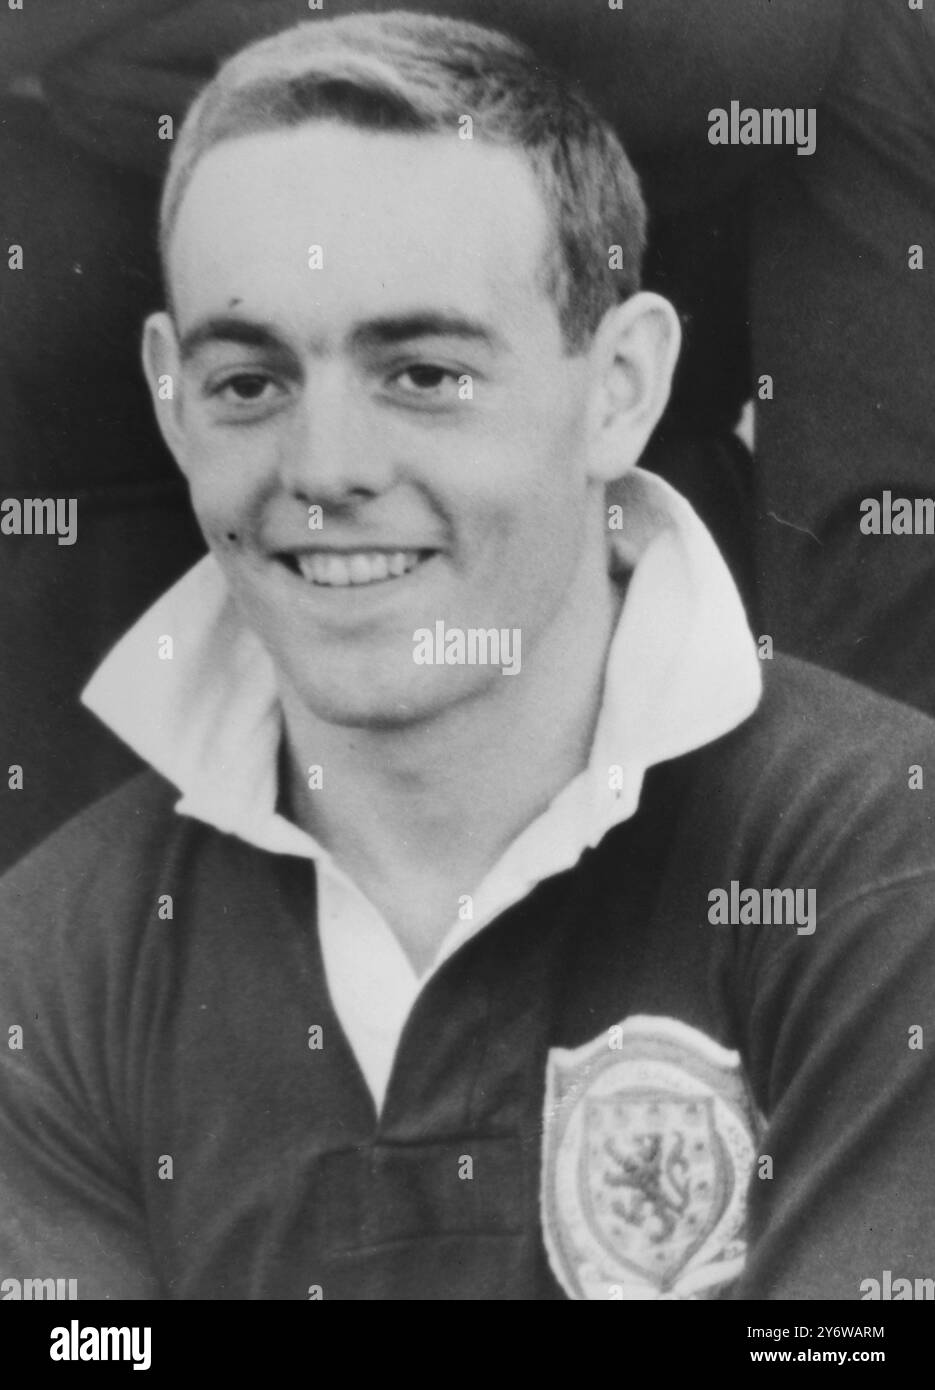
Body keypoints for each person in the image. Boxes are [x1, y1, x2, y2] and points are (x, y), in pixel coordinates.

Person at [1, 11, 934, 1303]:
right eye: (248, 384)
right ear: (173, 393)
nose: (326, 468)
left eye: (423, 372)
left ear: (622, 387)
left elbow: (746, 44)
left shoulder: (882, 880)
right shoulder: (52, 960)